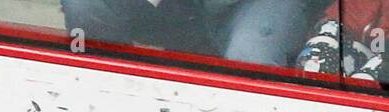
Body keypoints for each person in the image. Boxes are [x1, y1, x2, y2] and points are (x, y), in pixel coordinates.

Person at [61, 0, 316, 68]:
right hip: (177, 9)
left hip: (254, 7)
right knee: (85, 3)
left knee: (252, 55)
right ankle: (103, 109)